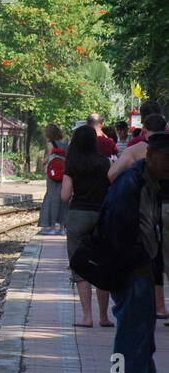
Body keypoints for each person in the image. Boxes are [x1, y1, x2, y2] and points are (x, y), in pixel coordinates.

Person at [99, 132, 169, 373]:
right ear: (150, 156)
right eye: (167, 161)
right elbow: (116, 228)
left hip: (143, 270)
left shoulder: (152, 184)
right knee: (128, 339)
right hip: (130, 273)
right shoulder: (130, 186)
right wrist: (138, 261)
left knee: (143, 340)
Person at [62, 125, 114, 328]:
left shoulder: (72, 163)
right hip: (101, 216)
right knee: (102, 265)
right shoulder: (105, 162)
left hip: (78, 216)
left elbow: (65, 195)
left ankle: (87, 317)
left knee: (80, 266)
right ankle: (104, 317)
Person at [39, 123, 68, 234]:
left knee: (51, 198)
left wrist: (44, 162)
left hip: (53, 174)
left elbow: (50, 156)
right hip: (64, 173)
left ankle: (52, 226)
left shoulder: (51, 143)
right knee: (63, 199)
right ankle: (62, 227)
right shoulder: (65, 143)